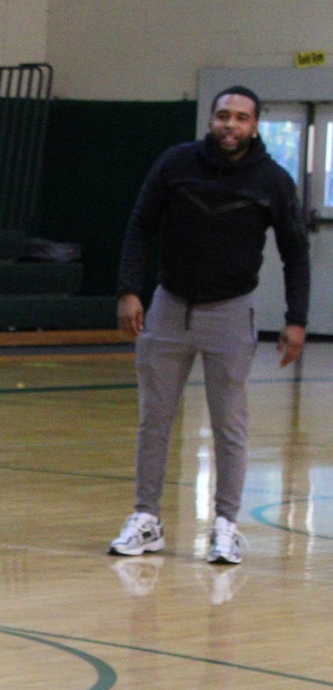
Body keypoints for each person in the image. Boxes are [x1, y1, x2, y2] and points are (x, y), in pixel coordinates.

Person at [109, 85, 309, 566]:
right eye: (223, 115)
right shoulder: (174, 165)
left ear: (255, 125)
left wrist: (296, 319)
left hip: (230, 314)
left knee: (229, 426)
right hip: (168, 308)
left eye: (241, 118)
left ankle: (225, 525)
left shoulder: (273, 181)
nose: (230, 125)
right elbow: (140, 226)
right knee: (154, 420)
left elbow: (295, 253)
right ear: (211, 120)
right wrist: (128, 290)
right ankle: (147, 519)